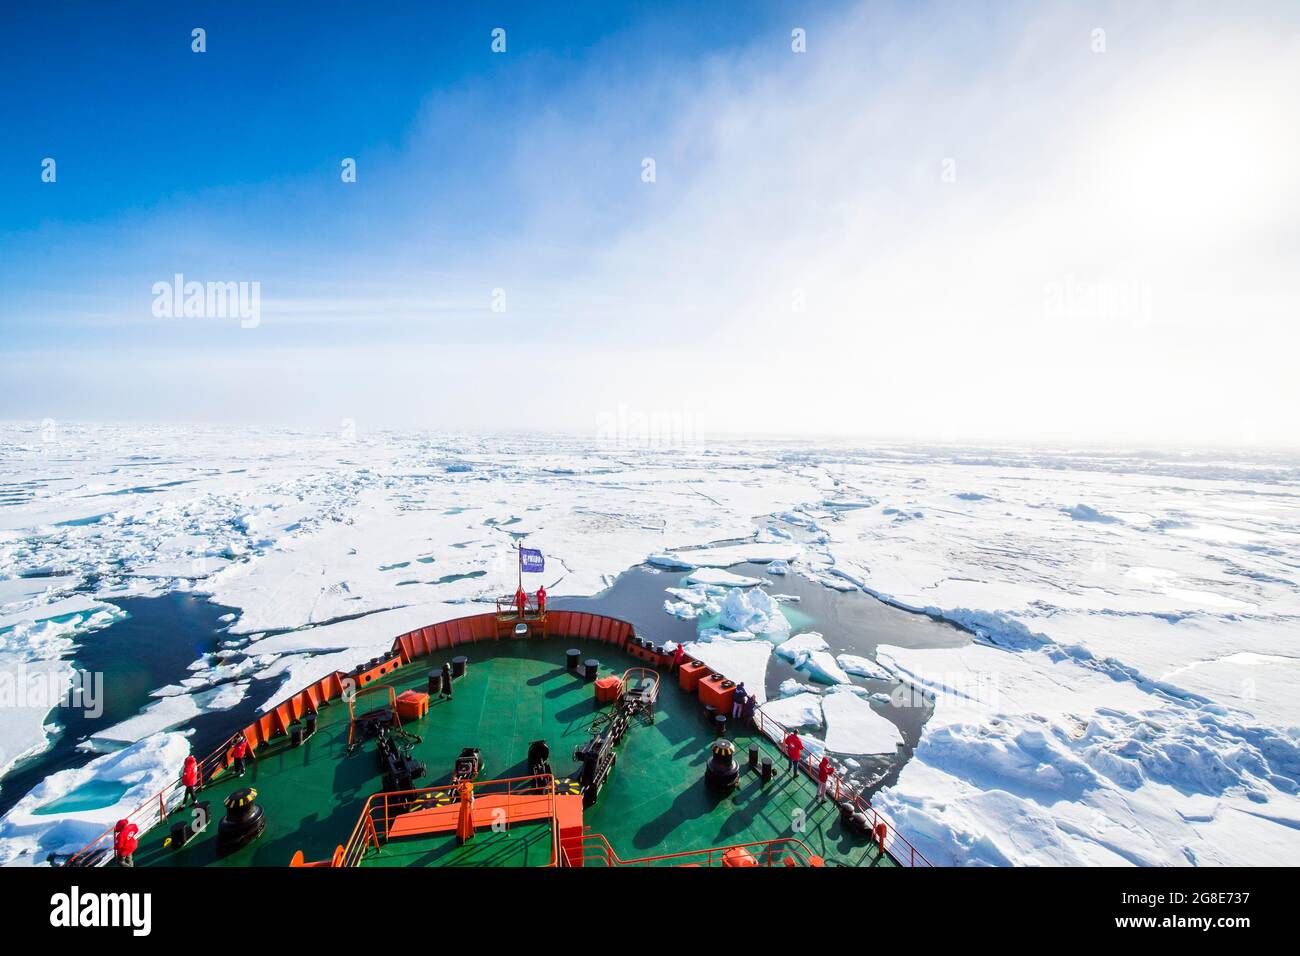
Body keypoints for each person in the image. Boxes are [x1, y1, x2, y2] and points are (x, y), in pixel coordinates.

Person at [455, 778, 475, 846]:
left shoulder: (461, 790)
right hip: (467, 808)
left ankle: (462, 835)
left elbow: (459, 791)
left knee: (463, 822)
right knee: (467, 821)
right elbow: (470, 799)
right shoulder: (468, 790)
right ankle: (468, 834)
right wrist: (470, 799)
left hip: (463, 808)